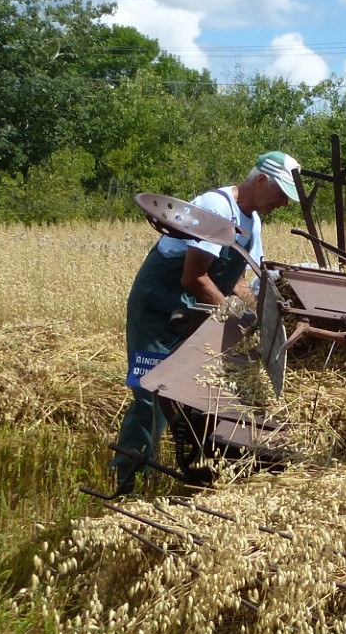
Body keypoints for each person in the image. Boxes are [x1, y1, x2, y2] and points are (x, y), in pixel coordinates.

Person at [111, 150, 300, 493]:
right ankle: (127, 483)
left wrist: (260, 314)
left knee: (200, 391)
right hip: (159, 307)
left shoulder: (251, 222)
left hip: (194, 309)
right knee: (152, 392)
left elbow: (237, 279)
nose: (284, 204)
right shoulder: (216, 208)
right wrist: (233, 316)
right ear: (260, 180)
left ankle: (202, 470)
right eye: (281, 194)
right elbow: (194, 278)